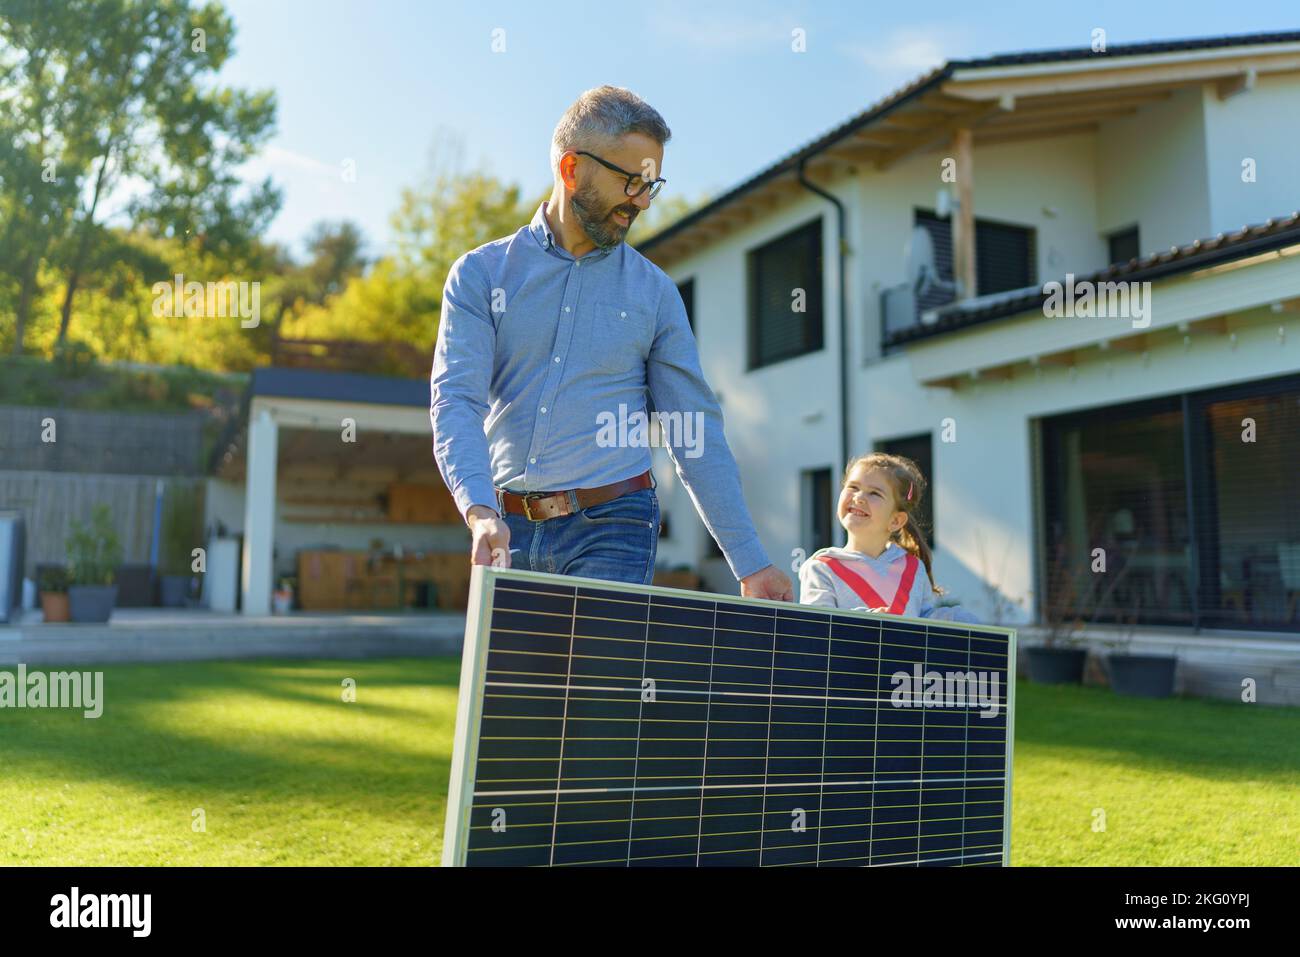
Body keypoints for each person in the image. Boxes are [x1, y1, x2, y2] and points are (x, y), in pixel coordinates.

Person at [430, 85, 792, 599]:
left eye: (652, 185)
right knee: (514, 683)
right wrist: (479, 509)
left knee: (594, 681)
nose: (642, 201)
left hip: (614, 525)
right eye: (632, 182)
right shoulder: (480, 275)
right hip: (507, 528)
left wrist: (750, 562)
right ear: (572, 168)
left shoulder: (656, 294)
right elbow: (457, 401)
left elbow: (692, 430)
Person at [798, 452, 978, 622]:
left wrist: (953, 618)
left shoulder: (913, 568)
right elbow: (817, 632)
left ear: (896, 520)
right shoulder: (821, 568)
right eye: (853, 487)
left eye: (874, 493)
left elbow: (923, 622)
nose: (859, 497)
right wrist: (862, 622)